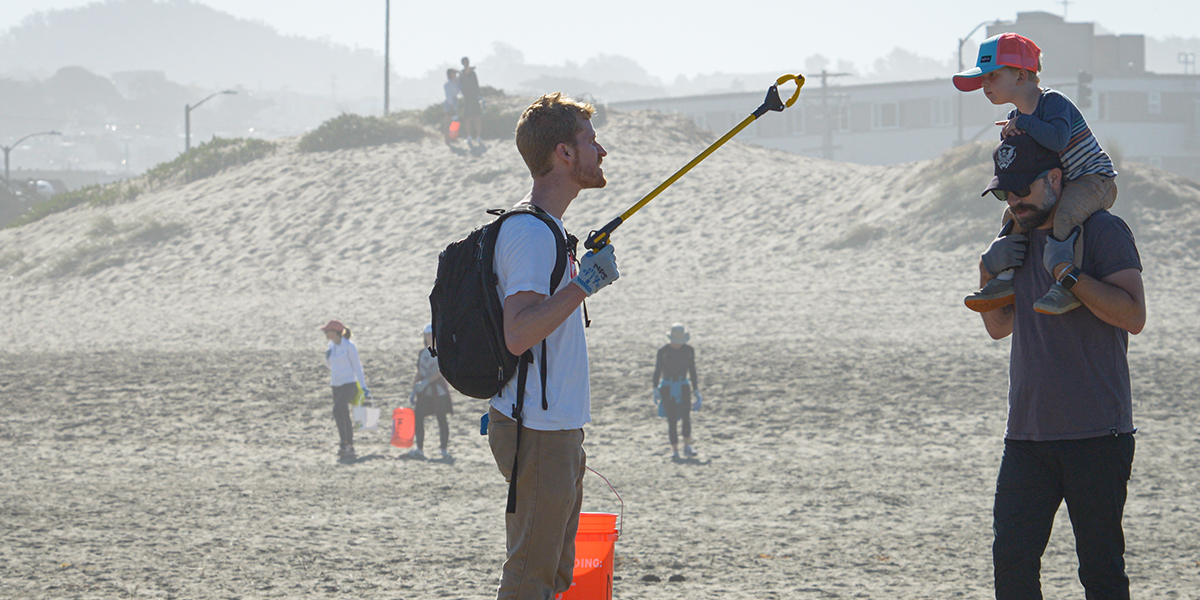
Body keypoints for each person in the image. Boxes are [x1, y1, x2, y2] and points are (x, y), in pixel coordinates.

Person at [974, 133, 1145, 600]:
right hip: (1027, 438)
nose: (1013, 200)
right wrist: (987, 270)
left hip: (1098, 435)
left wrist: (1067, 274)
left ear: (1054, 178)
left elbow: (1133, 316)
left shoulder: (1104, 230)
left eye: (1021, 189)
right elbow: (999, 327)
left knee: (1102, 573)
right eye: (1005, 191)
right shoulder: (1015, 236)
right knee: (1012, 564)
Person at [486, 91, 620, 600]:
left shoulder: (550, 230)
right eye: (590, 140)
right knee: (530, 578)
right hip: (536, 431)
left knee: (554, 576)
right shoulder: (530, 233)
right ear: (564, 153)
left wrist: (580, 281)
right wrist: (582, 285)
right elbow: (518, 332)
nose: (601, 150)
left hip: (554, 429)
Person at [955, 32, 1118, 315]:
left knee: (1067, 215)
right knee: (1012, 215)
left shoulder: (1052, 102)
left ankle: (1066, 285)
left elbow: (1057, 140)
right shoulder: (1016, 116)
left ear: (1020, 76)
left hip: (1094, 178)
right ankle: (1005, 279)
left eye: (991, 76)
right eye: (982, 79)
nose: (984, 84)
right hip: (1062, 181)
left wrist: (1024, 124)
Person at [652, 323, 703, 460]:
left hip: (683, 385)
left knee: (686, 417)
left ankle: (687, 446)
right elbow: (657, 370)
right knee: (672, 420)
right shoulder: (663, 351)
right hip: (667, 387)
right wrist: (655, 388)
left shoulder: (688, 350)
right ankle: (675, 450)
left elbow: (692, 371)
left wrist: (696, 390)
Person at [320, 319, 370, 460]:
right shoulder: (331, 346)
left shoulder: (349, 346)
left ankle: (344, 442)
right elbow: (330, 366)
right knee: (342, 413)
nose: (325, 333)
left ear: (335, 332)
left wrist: (364, 386)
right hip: (335, 384)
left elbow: (357, 367)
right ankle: (348, 444)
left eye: (327, 331)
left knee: (337, 409)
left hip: (349, 383)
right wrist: (327, 358)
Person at [410, 323, 452, 460]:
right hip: (424, 392)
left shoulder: (442, 351)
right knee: (418, 417)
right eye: (426, 335)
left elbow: (441, 370)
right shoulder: (422, 353)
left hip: (438, 391)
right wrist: (413, 389)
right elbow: (419, 371)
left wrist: (428, 381)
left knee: (441, 418)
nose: (428, 337)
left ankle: (443, 449)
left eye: (430, 334)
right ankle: (419, 448)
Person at [459, 56, 484, 146]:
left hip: (474, 98)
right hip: (467, 99)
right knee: (467, 118)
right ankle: (469, 136)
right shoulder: (461, 73)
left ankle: (478, 136)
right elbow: (461, 83)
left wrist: (479, 96)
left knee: (477, 117)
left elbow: (477, 85)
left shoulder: (473, 73)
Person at [442, 68, 461, 145]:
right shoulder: (448, 84)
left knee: (455, 122)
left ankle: (453, 137)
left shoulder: (455, 82)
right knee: (448, 122)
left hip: (455, 102)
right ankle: (447, 138)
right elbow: (448, 95)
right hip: (450, 103)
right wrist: (451, 105)